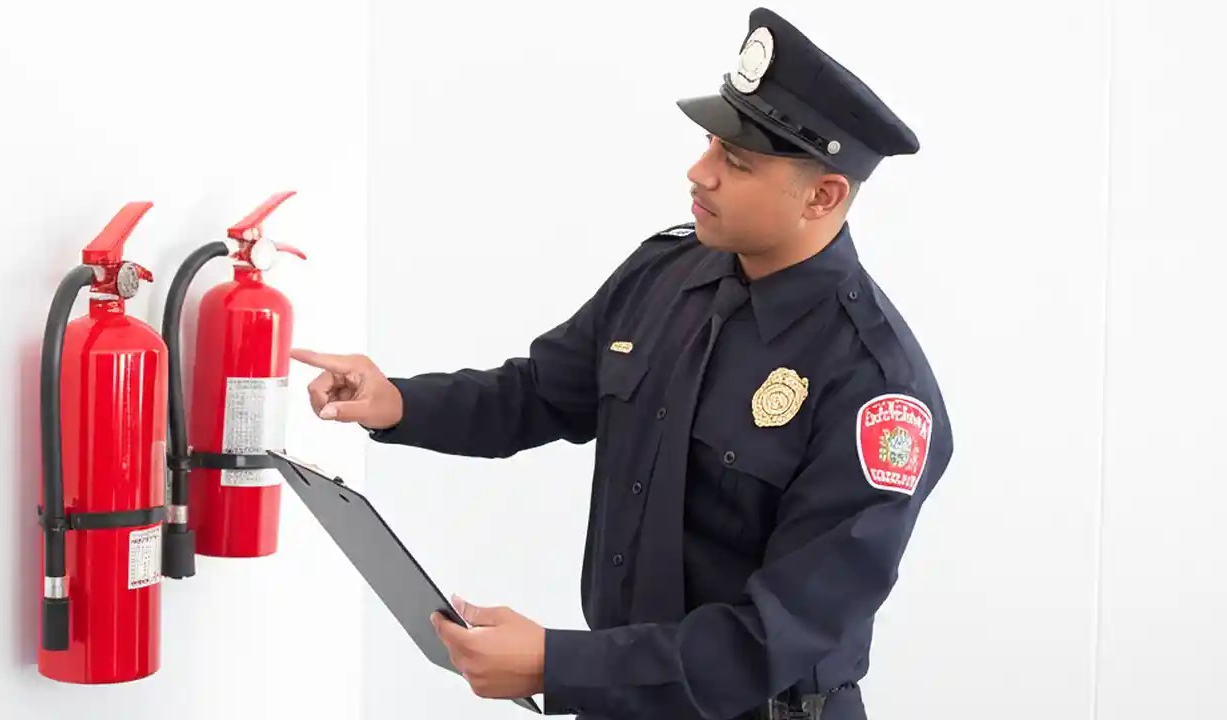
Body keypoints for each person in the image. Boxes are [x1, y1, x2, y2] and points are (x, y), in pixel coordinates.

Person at [291, 7, 953, 720]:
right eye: (709, 142)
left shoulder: (877, 393)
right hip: (618, 702)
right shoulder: (667, 276)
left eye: (736, 162)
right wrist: (398, 402)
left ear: (823, 196)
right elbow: (541, 392)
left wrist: (555, 663)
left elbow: (773, 638)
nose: (699, 172)